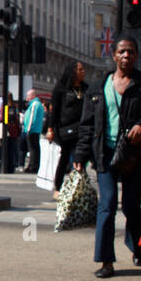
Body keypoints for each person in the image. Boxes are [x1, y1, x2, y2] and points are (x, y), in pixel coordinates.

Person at [73, 34, 141, 278]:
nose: (126, 56)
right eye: (122, 51)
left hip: (135, 156)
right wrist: (80, 155)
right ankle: (105, 260)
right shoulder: (98, 87)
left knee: (131, 205)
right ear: (113, 55)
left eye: (131, 52)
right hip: (105, 153)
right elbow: (87, 124)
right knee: (107, 204)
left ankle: (137, 245)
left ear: (136, 55)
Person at [47, 61, 89, 198]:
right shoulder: (61, 88)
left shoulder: (86, 88)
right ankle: (58, 187)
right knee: (64, 158)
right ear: (72, 72)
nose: (83, 72)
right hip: (65, 129)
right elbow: (55, 110)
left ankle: (79, 187)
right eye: (80, 69)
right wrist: (50, 128)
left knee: (81, 158)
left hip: (82, 128)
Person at [22, 89, 46, 173]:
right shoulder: (37, 104)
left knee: (32, 149)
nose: (27, 98)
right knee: (35, 148)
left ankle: (32, 166)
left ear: (32, 96)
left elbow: (32, 117)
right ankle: (34, 165)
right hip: (35, 129)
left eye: (28, 96)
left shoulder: (34, 104)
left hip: (32, 130)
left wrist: (28, 129)